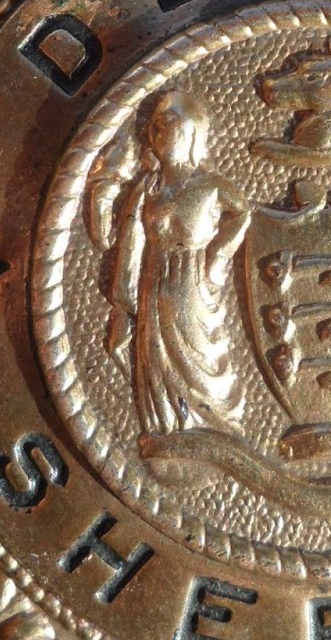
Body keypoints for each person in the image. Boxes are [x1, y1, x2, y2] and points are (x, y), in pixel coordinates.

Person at [86, 89, 250, 435]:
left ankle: (213, 425)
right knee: (155, 360)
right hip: (154, 283)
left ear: (192, 131)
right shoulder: (149, 189)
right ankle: (167, 429)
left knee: (199, 357)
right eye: (155, 128)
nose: (161, 133)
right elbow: (129, 239)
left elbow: (241, 213)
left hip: (194, 283)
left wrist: (216, 260)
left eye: (170, 124)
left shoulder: (210, 185)